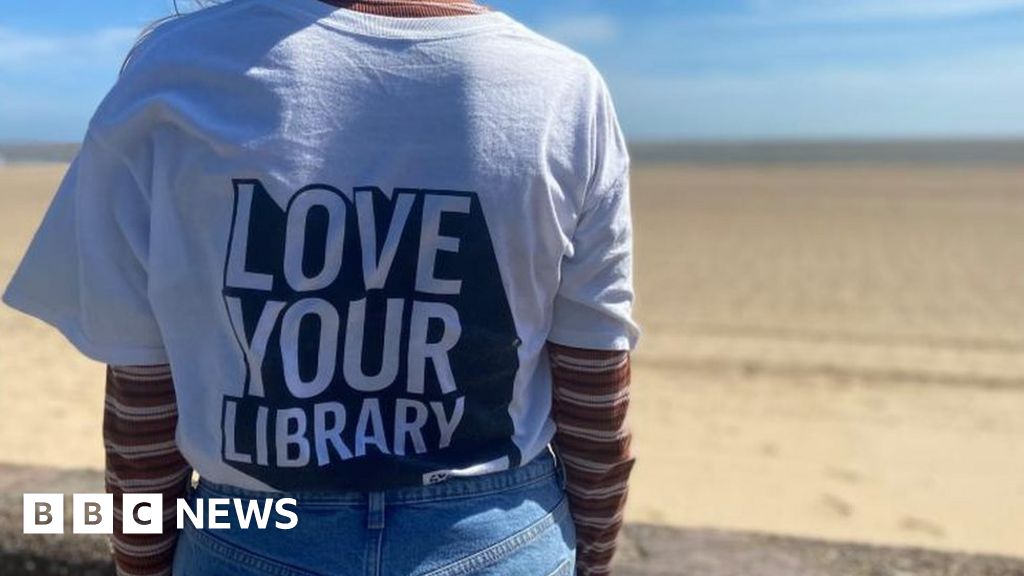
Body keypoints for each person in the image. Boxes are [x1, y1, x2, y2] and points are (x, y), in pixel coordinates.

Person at [3, 0, 639, 574]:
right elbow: (595, 390)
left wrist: (142, 564)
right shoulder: (563, 88)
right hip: (496, 535)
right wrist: (596, 556)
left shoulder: (172, 72)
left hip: (251, 528)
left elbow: (143, 404)